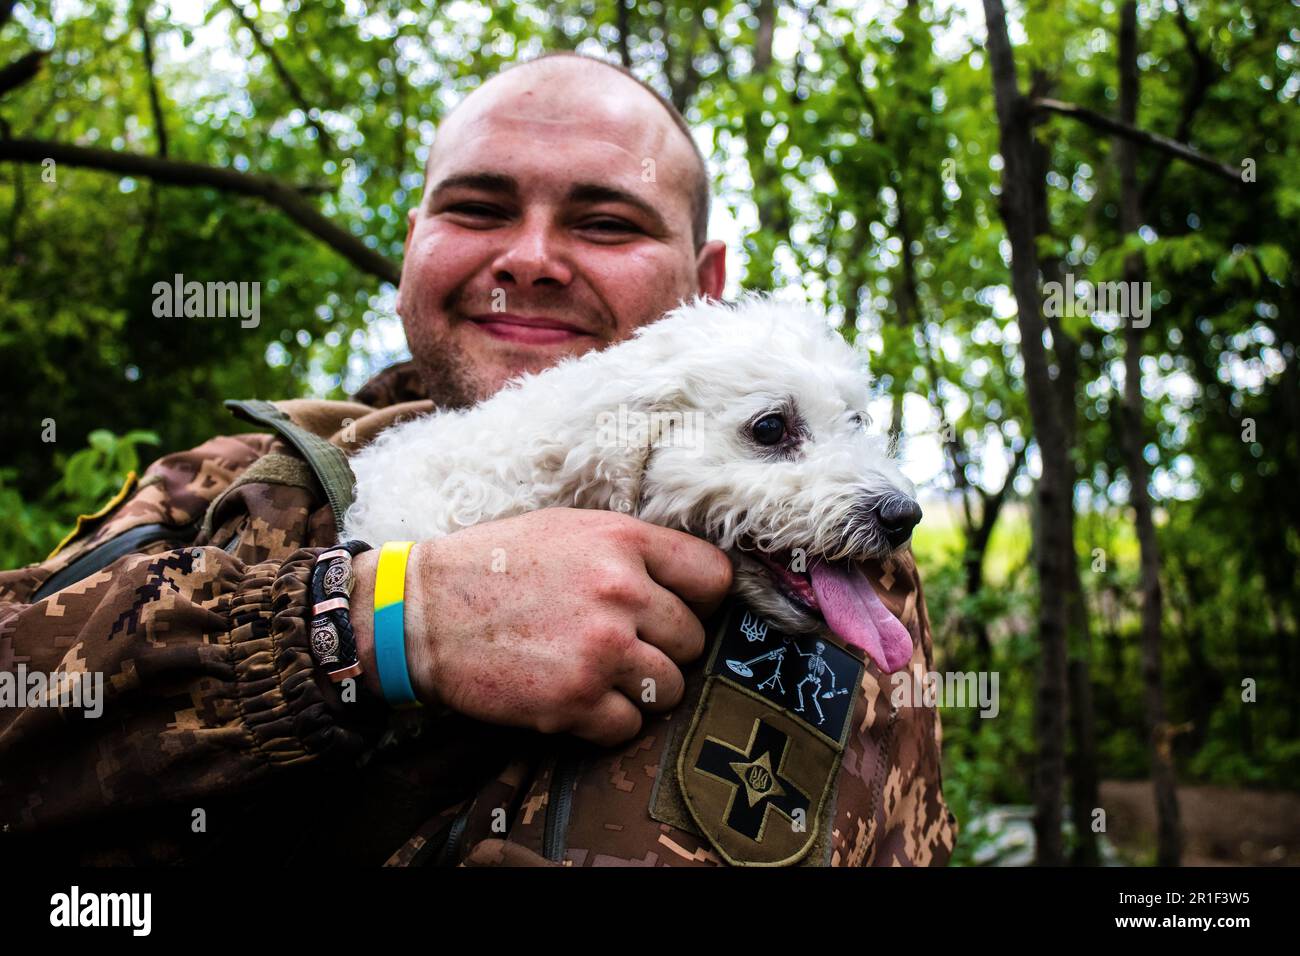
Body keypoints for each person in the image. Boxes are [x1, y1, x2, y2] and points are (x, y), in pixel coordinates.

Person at [0, 52, 954, 866]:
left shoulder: (831, 567)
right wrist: (379, 622)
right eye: (479, 207)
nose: (532, 258)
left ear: (707, 285)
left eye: (607, 222)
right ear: (415, 246)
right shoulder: (223, 480)